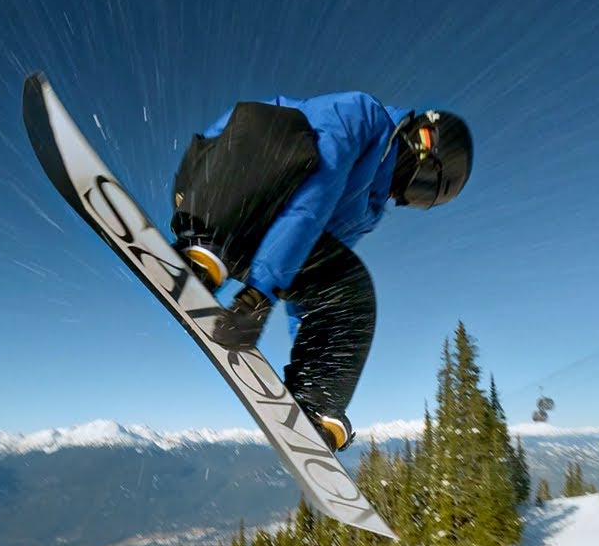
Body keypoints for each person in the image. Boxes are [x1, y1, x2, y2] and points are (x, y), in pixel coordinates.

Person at [169, 92, 473, 452]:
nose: (403, 198)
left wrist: (306, 343)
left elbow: (311, 276)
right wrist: (261, 292)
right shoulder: (364, 116)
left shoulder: (368, 211)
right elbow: (312, 200)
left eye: (419, 201)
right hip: (220, 180)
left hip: (260, 241)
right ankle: (205, 242)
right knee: (285, 142)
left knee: (351, 288)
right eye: (421, 189)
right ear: (423, 144)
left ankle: (316, 398)